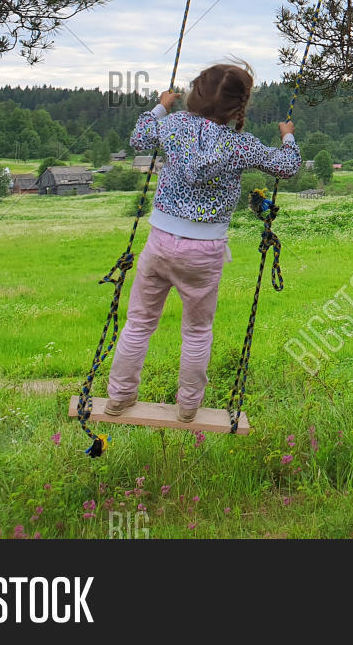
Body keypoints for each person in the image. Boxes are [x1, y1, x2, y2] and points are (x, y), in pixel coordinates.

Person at [104, 62, 300, 422]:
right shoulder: (240, 145)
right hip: (204, 251)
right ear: (237, 107)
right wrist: (287, 135)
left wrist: (161, 105)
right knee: (196, 331)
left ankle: (118, 398)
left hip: (161, 241)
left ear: (195, 94)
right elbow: (288, 166)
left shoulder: (172, 126)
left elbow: (138, 138)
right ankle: (189, 408)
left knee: (138, 323)